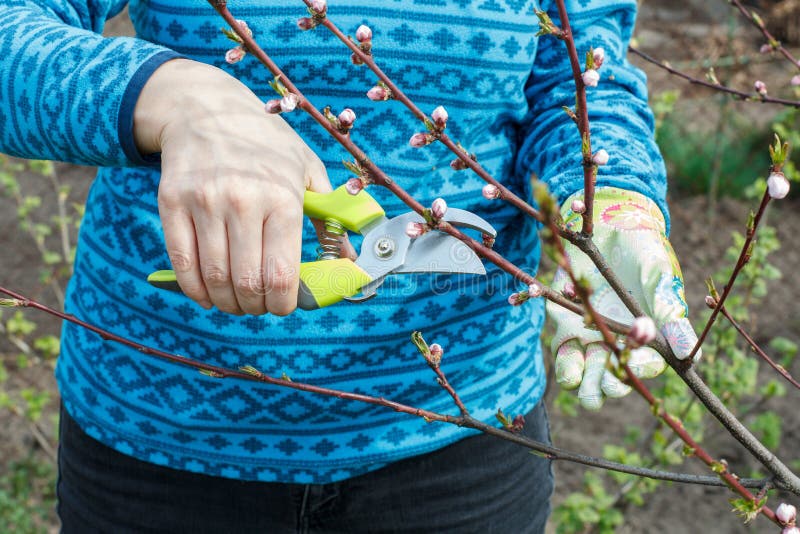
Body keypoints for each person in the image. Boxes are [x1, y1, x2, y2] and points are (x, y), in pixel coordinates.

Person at [0, 0, 698, 532]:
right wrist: (175, 96)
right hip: (157, 440)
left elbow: (581, 87)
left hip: (466, 441)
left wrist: (614, 207)